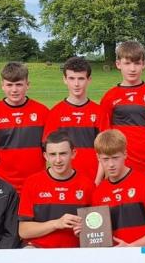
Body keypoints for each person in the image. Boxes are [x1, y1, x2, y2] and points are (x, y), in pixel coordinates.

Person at [92, 129, 145, 246]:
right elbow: (99, 237)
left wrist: (132, 247)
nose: (111, 164)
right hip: (115, 258)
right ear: (98, 158)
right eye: (106, 159)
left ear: (125, 154)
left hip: (144, 256)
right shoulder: (98, 193)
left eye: (115, 158)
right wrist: (86, 232)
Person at [99, 40, 145, 181]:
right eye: (127, 63)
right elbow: (104, 139)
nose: (132, 69)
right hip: (121, 167)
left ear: (144, 64)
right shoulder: (109, 97)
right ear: (118, 64)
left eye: (137, 63)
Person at [17, 133, 94, 249]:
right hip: (39, 250)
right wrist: (56, 224)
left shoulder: (88, 185)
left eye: (63, 154)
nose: (58, 160)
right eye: (53, 154)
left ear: (73, 154)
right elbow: (23, 231)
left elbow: (96, 229)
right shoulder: (32, 183)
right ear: (45, 156)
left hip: (75, 252)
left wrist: (85, 231)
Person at [0, 61, 49, 190]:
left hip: (36, 182)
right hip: (1, 183)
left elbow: (49, 151)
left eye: (19, 85)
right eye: (9, 85)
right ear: (2, 86)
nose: (14, 90)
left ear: (27, 85)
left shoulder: (43, 112)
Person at [44, 56, 105, 184]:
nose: (76, 84)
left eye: (81, 78)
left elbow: (105, 151)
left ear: (89, 80)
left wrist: (98, 181)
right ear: (65, 80)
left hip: (93, 182)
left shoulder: (100, 112)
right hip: (64, 183)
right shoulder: (55, 113)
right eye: (71, 78)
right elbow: (50, 153)